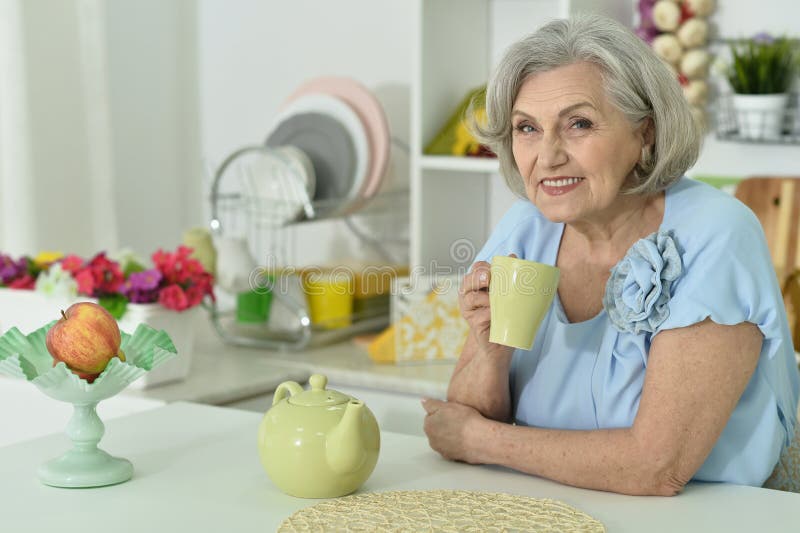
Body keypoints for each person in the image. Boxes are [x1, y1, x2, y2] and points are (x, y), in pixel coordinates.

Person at [421, 14, 800, 496]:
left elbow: (656, 468)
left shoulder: (717, 234)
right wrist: (491, 353)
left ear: (644, 133)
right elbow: (462, 418)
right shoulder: (527, 226)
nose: (548, 155)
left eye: (578, 123)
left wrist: (483, 441)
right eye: (527, 128)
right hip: (545, 510)